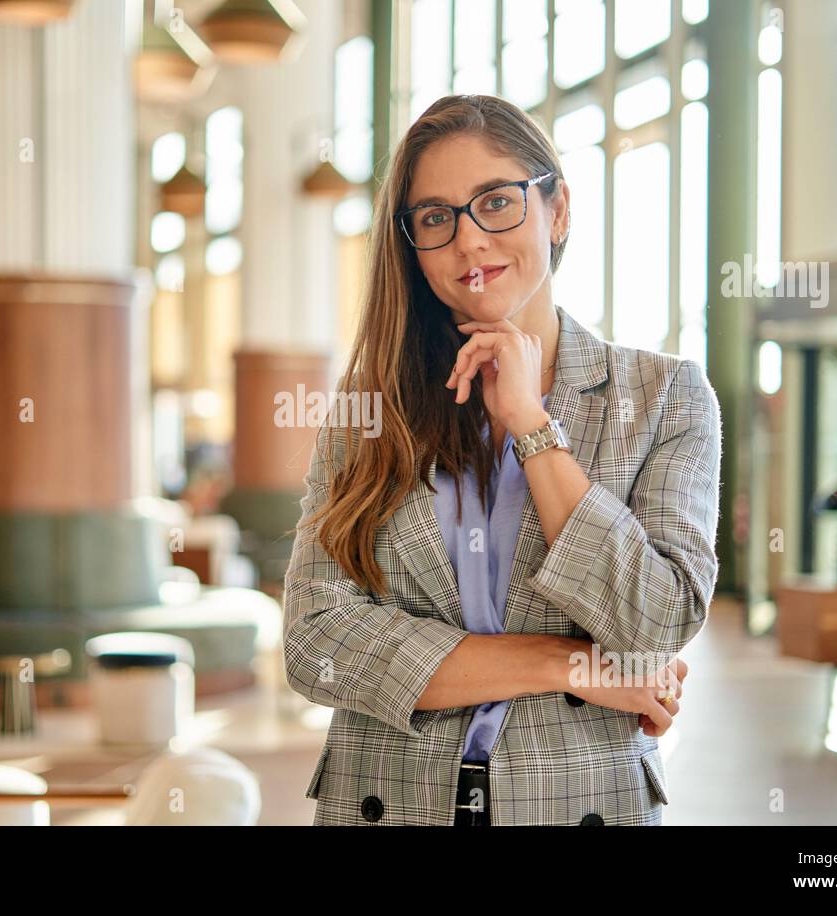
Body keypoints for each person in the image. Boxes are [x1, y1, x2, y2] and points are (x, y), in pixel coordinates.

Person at [283, 94, 722, 826]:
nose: (469, 240)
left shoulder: (665, 397)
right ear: (413, 248)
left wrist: (529, 423)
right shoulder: (372, 408)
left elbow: (654, 624)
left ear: (557, 211)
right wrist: (570, 665)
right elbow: (313, 640)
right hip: (388, 803)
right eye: (436, 217)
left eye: (495, 202)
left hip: (580, 804)